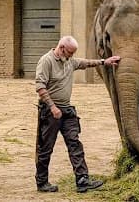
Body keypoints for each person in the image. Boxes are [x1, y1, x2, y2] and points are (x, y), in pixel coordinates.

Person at [34, 35, 121, 193]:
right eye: (70, 52)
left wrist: (104, 62)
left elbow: (85, 63)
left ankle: (82, 180)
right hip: (50, 112)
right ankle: (42, 182)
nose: (72, 56)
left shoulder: (69, 61)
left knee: (75, 144)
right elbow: (40, 86)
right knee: (46, 147)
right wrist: (53, 107)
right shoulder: (46, 61)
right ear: (61, 48)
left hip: (67, 110)